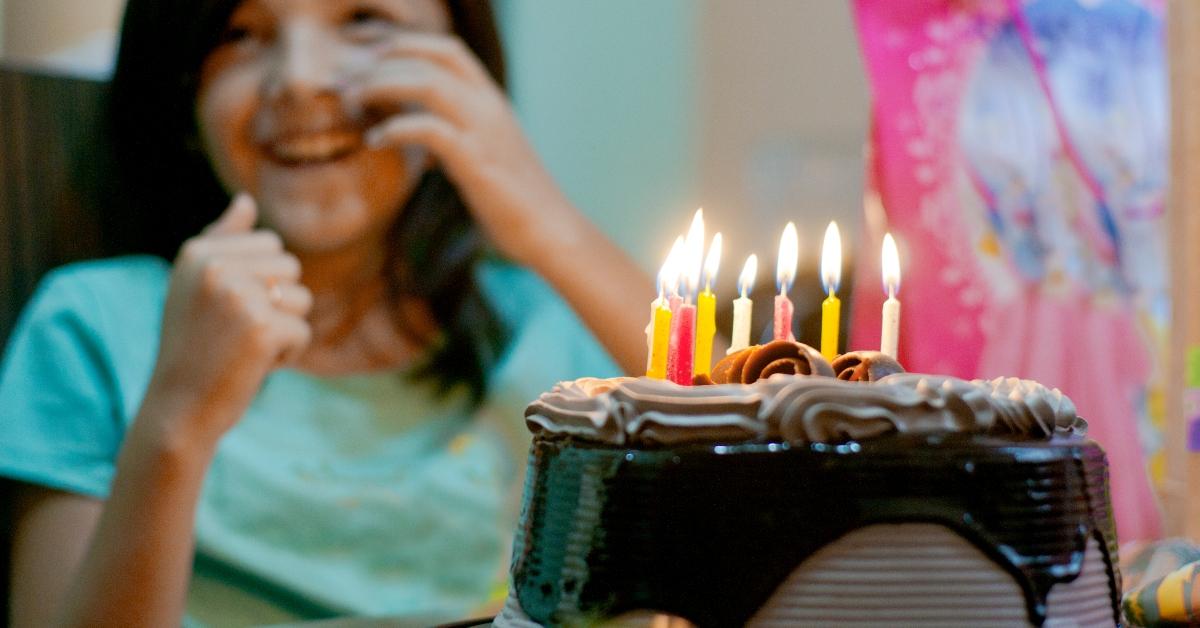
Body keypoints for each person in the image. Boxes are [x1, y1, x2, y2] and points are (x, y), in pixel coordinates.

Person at [0, 0, 652, 625]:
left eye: (365, 17)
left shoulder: (547, 325)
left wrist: (548, 225)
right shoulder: (94, 323)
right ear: (181, 94)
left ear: (467, 66)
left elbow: (739, 441)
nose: (301, 77)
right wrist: (178, 418)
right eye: (239, 31)